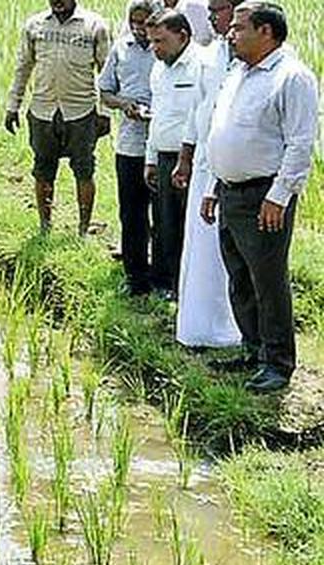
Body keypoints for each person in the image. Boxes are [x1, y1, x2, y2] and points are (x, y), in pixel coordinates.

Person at [201, 1, 319, 392]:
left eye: (239, 27)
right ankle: (252, 348)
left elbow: (300, 144)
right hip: (230, 192)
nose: (230, 34)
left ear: (266, 32)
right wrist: (212, 187)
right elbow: (222, 131)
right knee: (239, 277)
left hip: (263, 196)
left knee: (268, 281)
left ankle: (278, 363)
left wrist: (279, 196)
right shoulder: (238, 72)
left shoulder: (291, 77)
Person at [171, 0, 243, 348]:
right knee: (201, 246)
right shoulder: (210, 54)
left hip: (235, 169)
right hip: (203, 165)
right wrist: (185, 156)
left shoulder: (258, 62)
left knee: (230, 253)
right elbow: (196, 109)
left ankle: (233, 329)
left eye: (220, 10)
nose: (212, 17)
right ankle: (199, 327)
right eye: (211, 10)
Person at [5, 0, 111, 237]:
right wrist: (13, 105)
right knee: (43, 169)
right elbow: (23, 66)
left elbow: (106, 72)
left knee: (84, 170)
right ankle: (45, 226)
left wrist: (104, 112)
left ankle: (83, 229)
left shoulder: (95, 26)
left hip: (81, 112)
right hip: (43, 110)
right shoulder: (35, 25)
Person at [100, 0, 161, 296]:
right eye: (134, 22)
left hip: (163, 145)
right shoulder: (121, 48)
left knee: (164, 215)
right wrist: (125, 104)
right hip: (130, 144)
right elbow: (105, 92)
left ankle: (164, 277)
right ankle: (135, 277)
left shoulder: (169, 50)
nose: (139, 28)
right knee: (132, 213)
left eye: (145, 22)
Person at [144, 10, 202, 301]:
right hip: (164, 157)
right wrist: (150, 160)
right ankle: (171, 286)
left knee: (188, 227)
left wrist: (187, 160)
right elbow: (158, 118)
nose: (155, 48)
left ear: (183, 36)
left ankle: (189, 291)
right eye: (152, 41)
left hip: (189, 161)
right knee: (165, 226)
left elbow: (200, 118)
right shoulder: (159, 69)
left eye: (161, 41)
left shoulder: (201, 66)